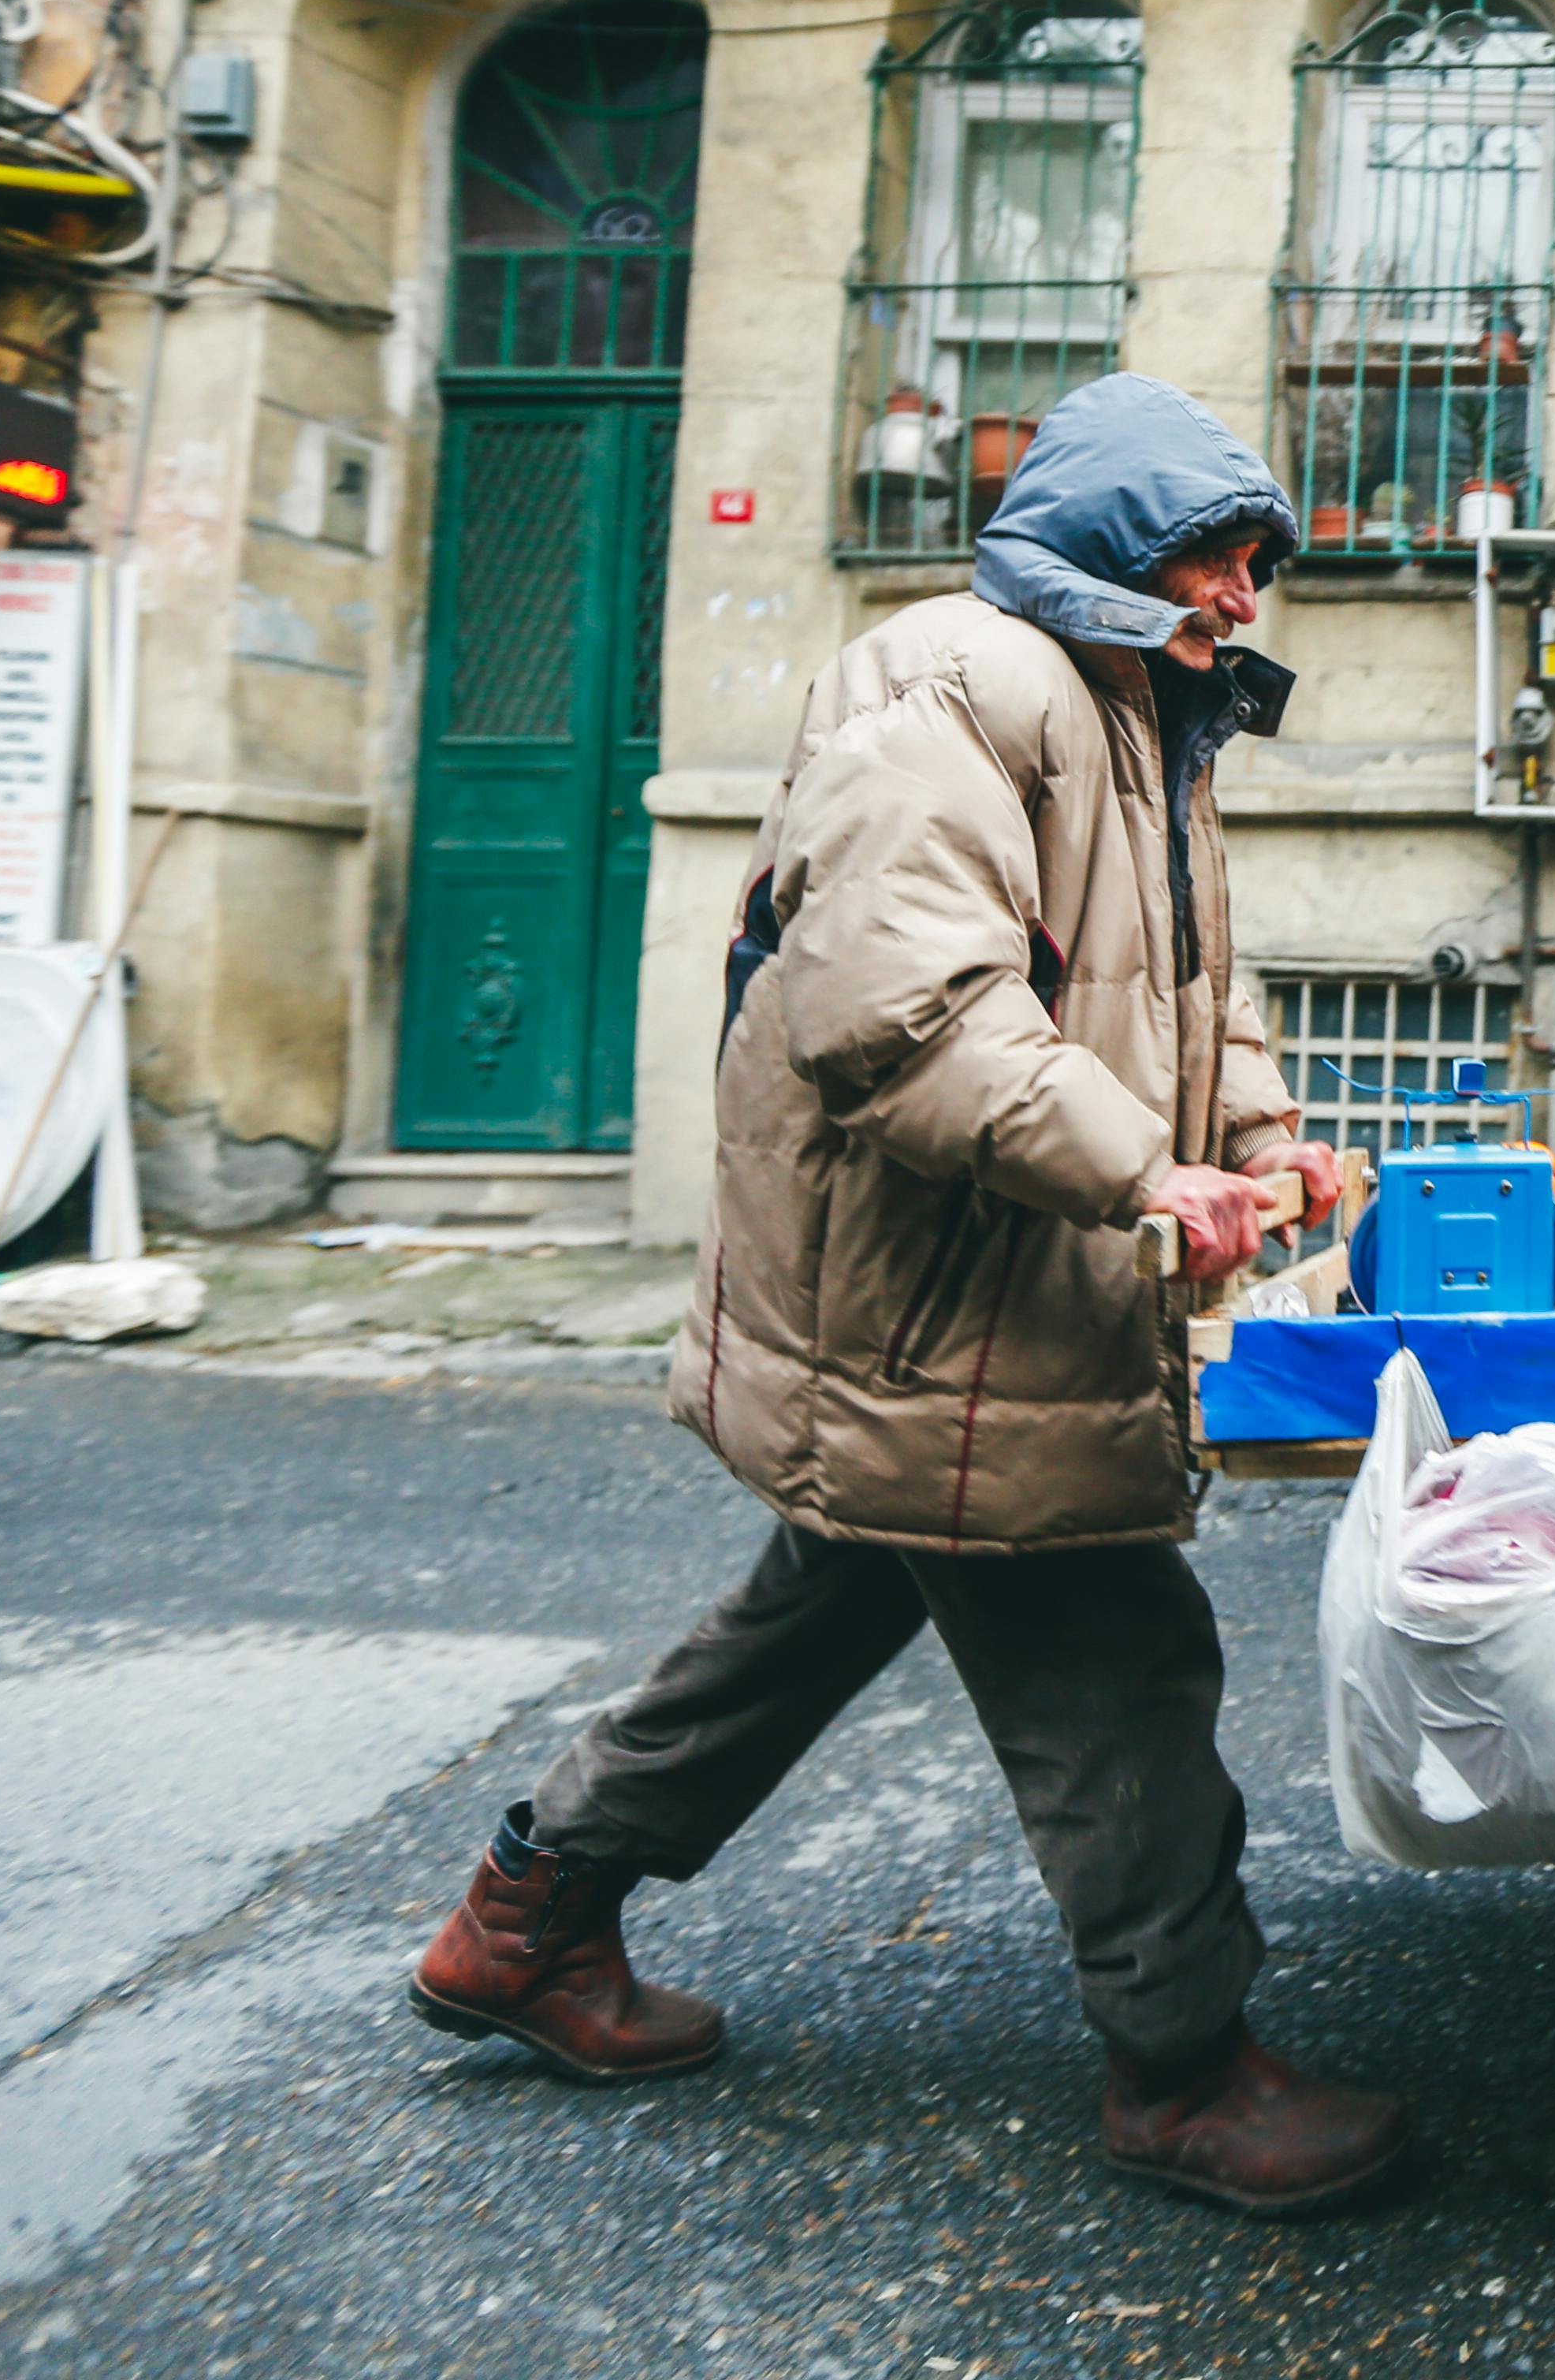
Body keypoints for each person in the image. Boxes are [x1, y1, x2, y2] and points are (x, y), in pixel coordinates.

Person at [405, 373, 1412, 2220]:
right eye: (1217, 553)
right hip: (946, 1297)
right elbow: (908, 1007)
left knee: (828, 1592)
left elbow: (1195, 993)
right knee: (1118, 1667)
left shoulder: (1135, 716)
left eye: (1261, 561)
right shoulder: (949, 677)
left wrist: (1262, 1137)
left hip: (983, 1284)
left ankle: (521, 1921)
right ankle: (1181, 2069)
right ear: (1111, 536)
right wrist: (1140, 1170)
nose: (1247, 597)